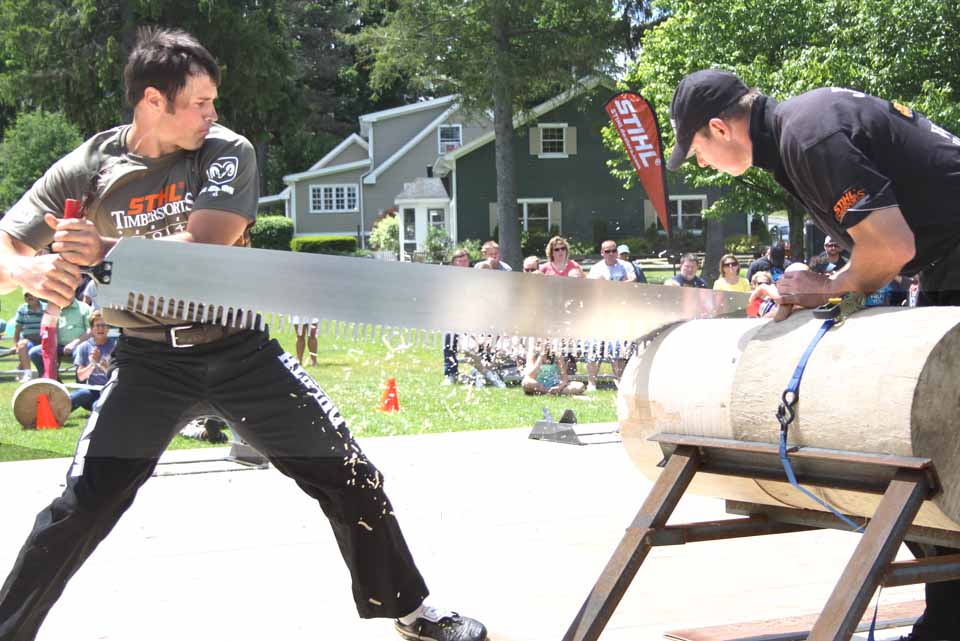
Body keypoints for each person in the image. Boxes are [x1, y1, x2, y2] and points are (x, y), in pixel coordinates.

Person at [0, 28, 486, 641]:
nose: (212, 113)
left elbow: (207, 244)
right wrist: (30, 268)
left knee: (350, 475)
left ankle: (412, 613)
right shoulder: (89, 167)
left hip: (241, 351)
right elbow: (8, 239)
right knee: (83, 504)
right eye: (199, 103)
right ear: (154, 102)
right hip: (149, 364)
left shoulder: (226, 150)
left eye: (212, 101)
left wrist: (103, 250)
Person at [667, 67, 960, 641]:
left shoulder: (810, 136)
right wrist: (824, 277)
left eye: (695, 149)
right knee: (940, 467)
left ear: (720, 127)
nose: (699, 163)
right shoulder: (799, 134)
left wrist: (826, 287)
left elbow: (893, 247)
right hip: (949, 265)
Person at [27, 296, 91, 378]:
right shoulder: (54, 308)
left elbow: (90, 331)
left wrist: (74, 344)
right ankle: (53, 382)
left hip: (78, 346)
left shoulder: (84, 308)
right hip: (57, 346)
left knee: (80, 352)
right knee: (34, 352)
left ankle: (81, 383)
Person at [69, 309, 116, 413]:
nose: (101, 329)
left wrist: (101, 363)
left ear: (108, 328)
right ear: (91, 328)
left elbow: (116, 375)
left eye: (104, 325)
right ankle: (52, 417)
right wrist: (93, 364)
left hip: (109, 391)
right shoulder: (84, 347)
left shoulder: (115, 347)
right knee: (76, 396)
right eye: (97, 325)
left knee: (97, 406)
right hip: (92, 391)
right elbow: (81, 376)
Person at [442, 248, 471, 385]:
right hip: (455, 319)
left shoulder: (476, 276)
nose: (464, 264)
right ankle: (451, 373)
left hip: (475, 318)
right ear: (454, 263)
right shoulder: (448, 278)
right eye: (460, 261)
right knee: (449, 336)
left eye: (466, 261)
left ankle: (485, 371)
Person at [521, 341, 585, 396]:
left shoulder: (557, 356)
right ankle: (549, 392)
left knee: (580, 386)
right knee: (526, 383)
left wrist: (559, 387)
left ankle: (549, 392)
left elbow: (565, 378)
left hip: (554, 385)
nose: (546, 346)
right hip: (537, 384)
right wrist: (540, 358)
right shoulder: (533, 355)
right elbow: (530, 376)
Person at [12, 292, 43, 380]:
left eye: (31, 294)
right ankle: (27, 374)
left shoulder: (46, 308)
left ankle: (20, 369)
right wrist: (15, 345)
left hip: (44, 339)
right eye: (26, 295)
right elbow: (17, 329)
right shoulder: (22, 309)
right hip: (29, 339)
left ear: (38, 295)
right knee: (22, 345)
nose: (29, 297)